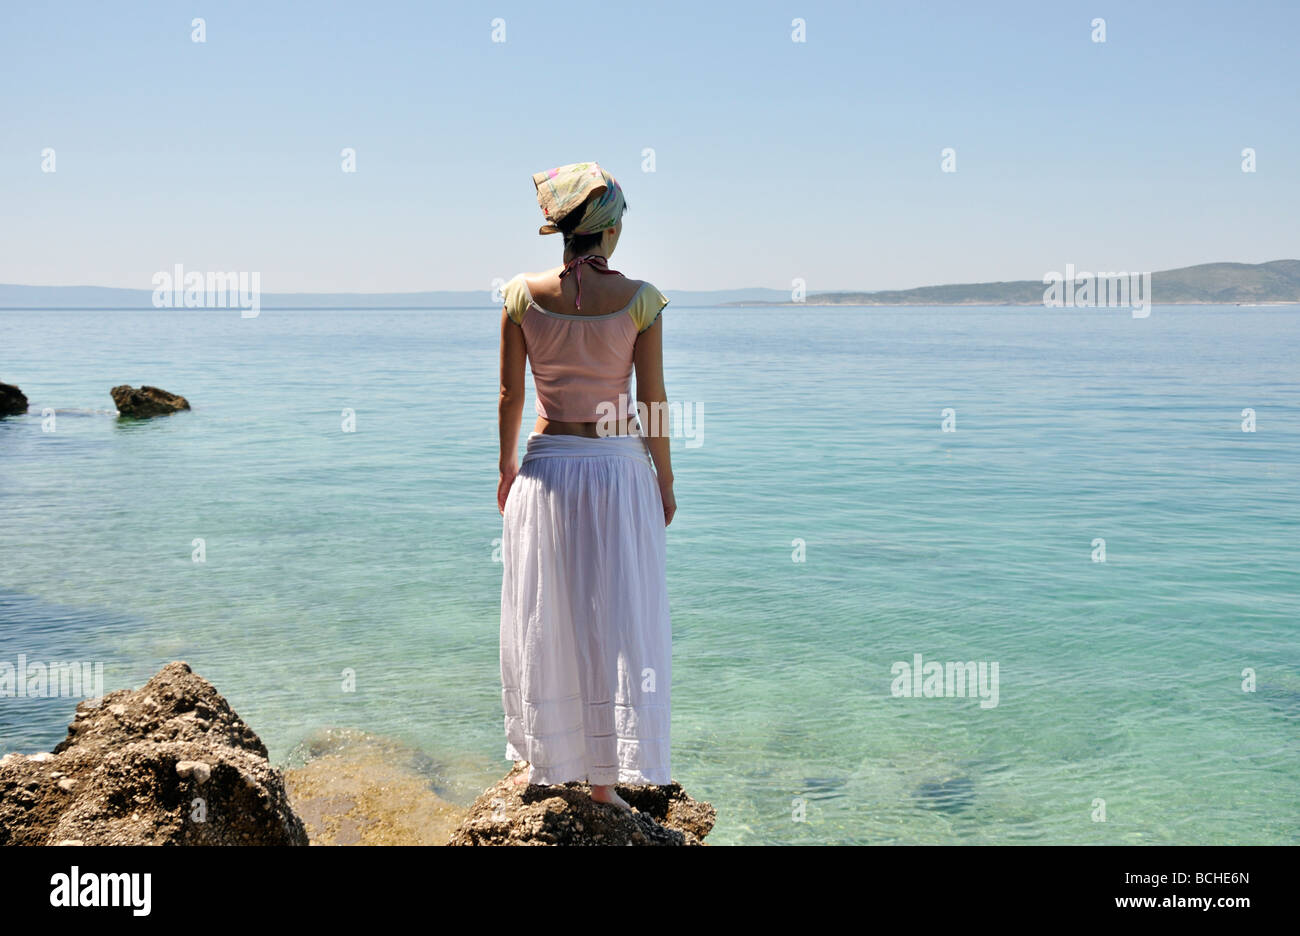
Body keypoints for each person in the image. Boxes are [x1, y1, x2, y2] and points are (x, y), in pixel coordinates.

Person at [497, 162, 675, 810]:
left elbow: (510, 395)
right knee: (613, 621)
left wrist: (504, 468)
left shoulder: (520, 295)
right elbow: (651, 400)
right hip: (618, 470)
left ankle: (544, 766)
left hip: (546, 470)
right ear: (606, 230)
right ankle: (603, 782)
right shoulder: (641, 300)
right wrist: (666, 480)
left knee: (547, 615)